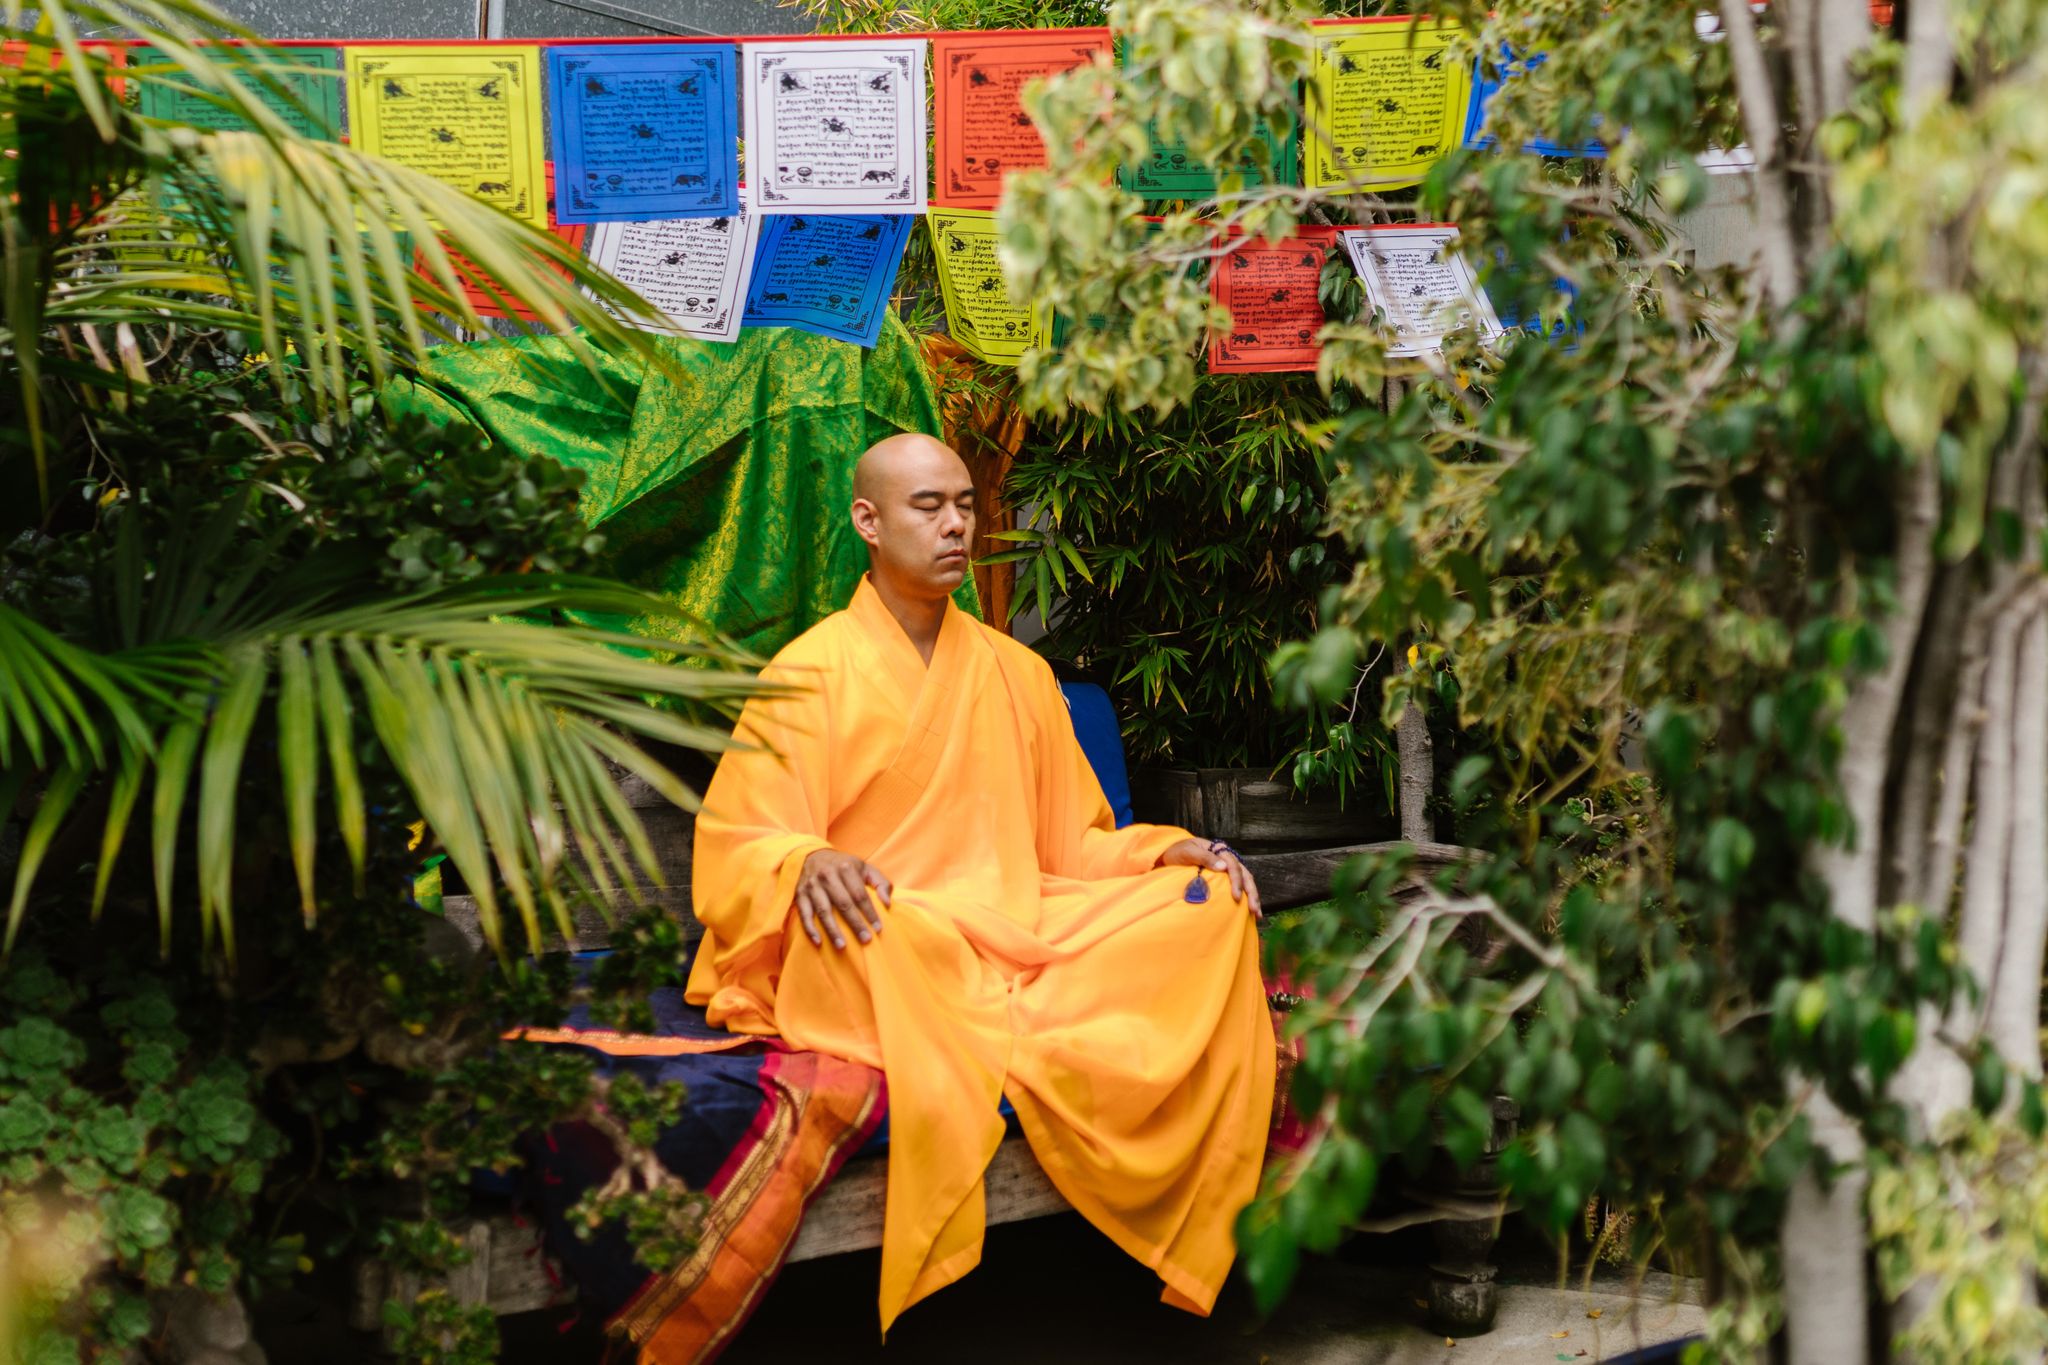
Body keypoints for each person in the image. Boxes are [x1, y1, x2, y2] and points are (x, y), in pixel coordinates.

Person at [684, 432, 1275, 1333]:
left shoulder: (1019, 671)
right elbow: (740, 839)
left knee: (1202, 911)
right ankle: (1014, 1016)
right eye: (930, 506)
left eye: (965, 503)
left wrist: (1162, 855)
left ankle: (1010, 1013)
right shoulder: (807, 674)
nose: (957, 523)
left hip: (1012, 927)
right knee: (895, 932)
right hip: (889, 939)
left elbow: (1072, 846)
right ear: (868, 522)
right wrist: (806, 859)